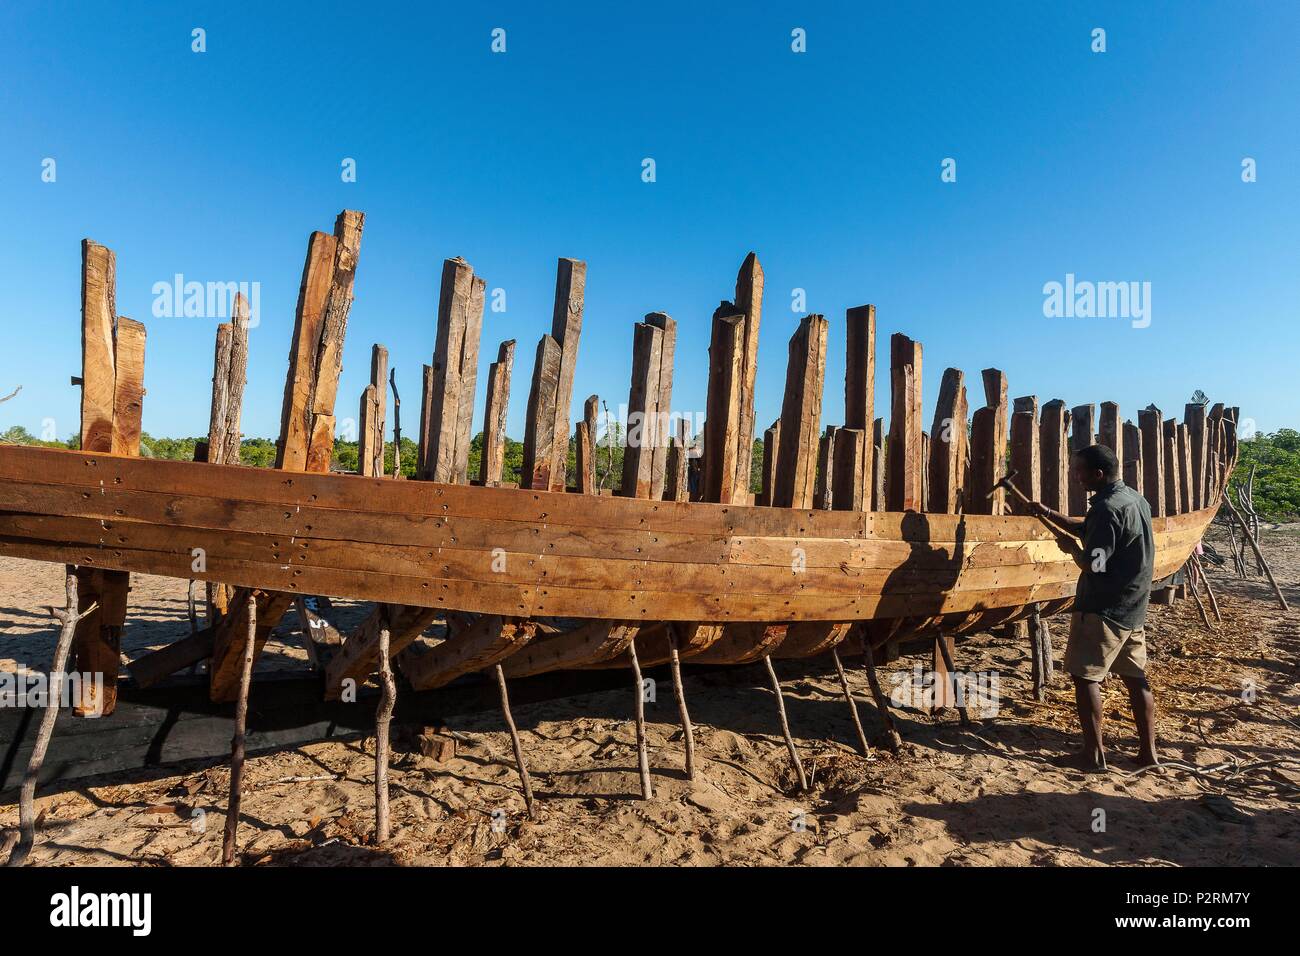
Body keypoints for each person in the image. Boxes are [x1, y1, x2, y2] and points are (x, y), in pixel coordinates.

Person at [1029, 444, 1157, 771]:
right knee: (1134, 677)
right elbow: (1090, 530)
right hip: (1133, 607)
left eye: (1080, 471)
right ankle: (1148, 755)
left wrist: (1072, 551)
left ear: (1098, 474)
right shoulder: (1133, 499)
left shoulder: (1105, 509)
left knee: (1085, 677)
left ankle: (1093, 755)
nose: (1076, 477)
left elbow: (1094, 564)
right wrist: (1046, 512)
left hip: (1102, 608)